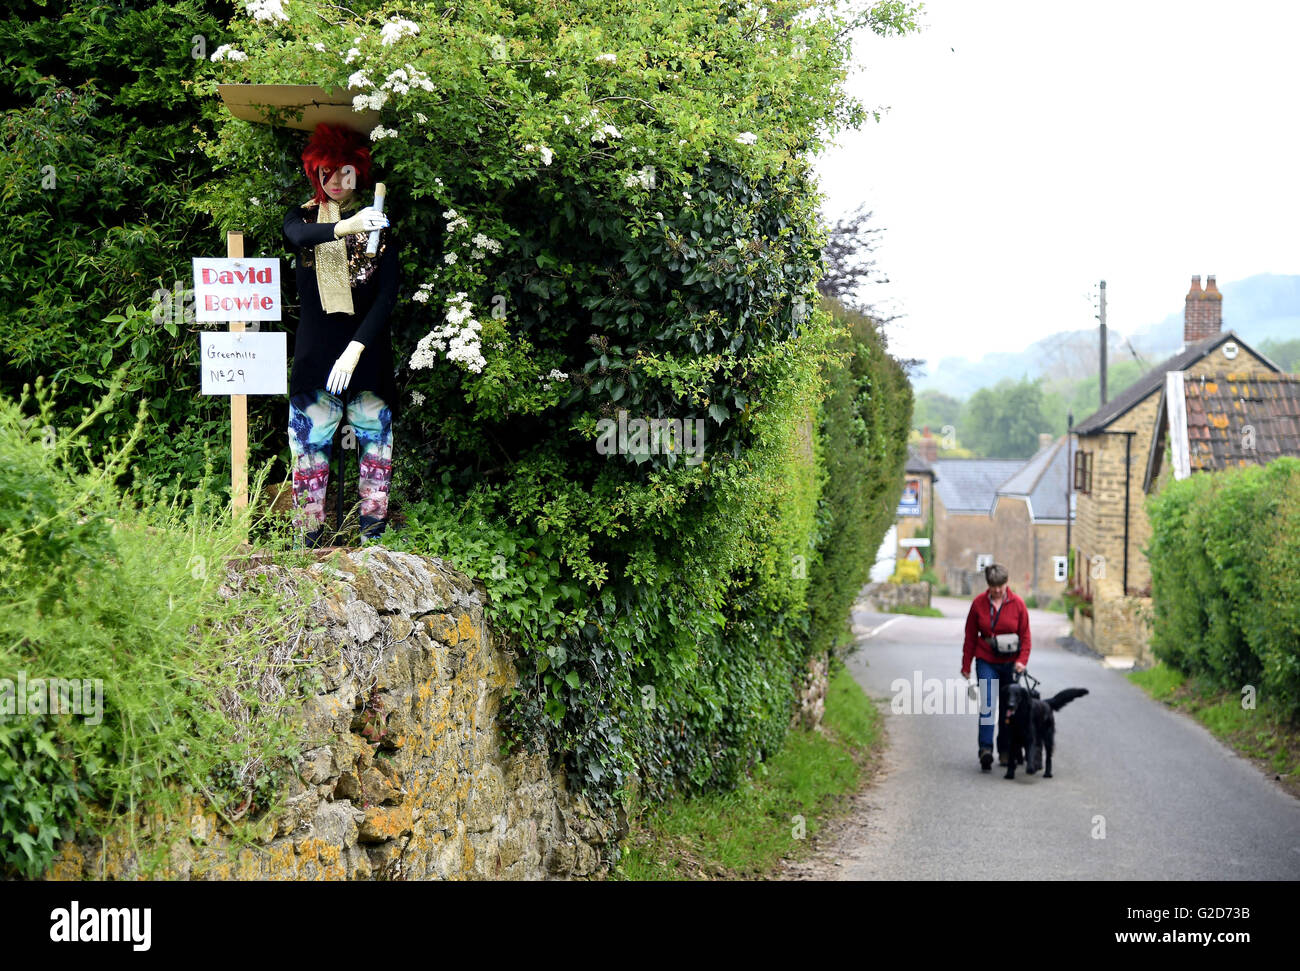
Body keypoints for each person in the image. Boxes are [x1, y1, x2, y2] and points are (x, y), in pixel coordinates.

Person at [281, 123, 399, 548]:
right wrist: (346, 226)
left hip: (365, 358)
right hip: (316, 360)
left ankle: (373, 548)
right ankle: (308, 550)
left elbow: (387, 297)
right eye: (326, 172)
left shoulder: (379, 225)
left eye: (344, 172)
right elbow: (296, 236)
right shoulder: (304, 217)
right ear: (315, 173)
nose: (334, 181)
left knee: (375, 454)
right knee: (310, 455)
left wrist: (355, 349)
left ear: (358, 174)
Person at [960, 563, 1032, 772]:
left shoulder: (1018, 604)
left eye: (1001, 586)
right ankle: (985, 749)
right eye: (994, 586)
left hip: (1011, 664)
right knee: (988, 705)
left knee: (1008, 709)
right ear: (988, 585)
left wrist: (1022, 661)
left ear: (1006, 584)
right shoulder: (978, 604)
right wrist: (966, 665)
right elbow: (970, 636)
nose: (998, 590)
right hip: (986, 660)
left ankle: (1006, 751)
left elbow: (1026, 636)